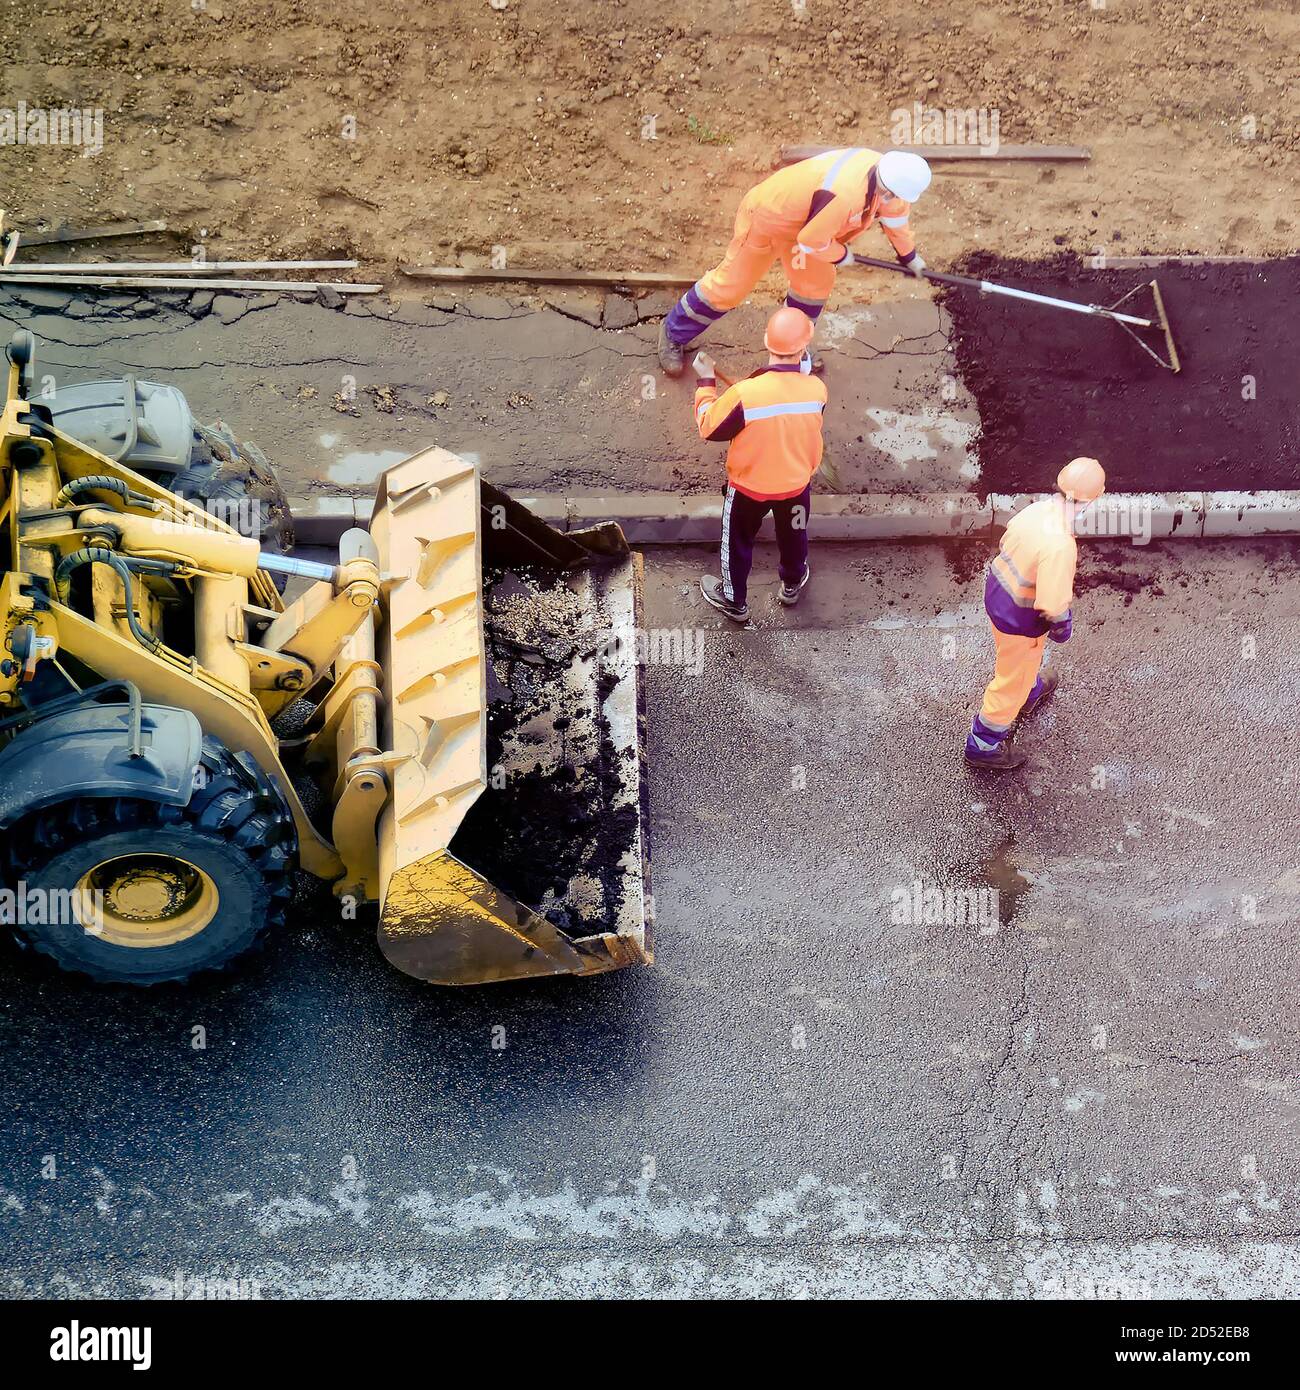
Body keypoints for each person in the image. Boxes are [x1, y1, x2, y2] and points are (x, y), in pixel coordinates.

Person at [658, 147, 932, 376]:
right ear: (886, 189)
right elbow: (812, 241)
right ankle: (673, 332)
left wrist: (909, 257)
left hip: (809, 226)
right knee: (731, 286)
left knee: (814, 285)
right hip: (769, 218)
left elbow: (895, 218)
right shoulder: (846, 193)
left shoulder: (893, 180)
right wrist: (841, 255)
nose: (892, 200)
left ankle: (793, 345)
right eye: (889, 195)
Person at [966, 457, 1107, 770]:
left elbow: (1007, 542)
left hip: (999, 597)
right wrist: (1062, 627)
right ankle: (983, 745)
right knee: (1009, 684)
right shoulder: (1060, 545)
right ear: (1092, 500)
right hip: (1020, 620)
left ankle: (1029, 689)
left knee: (1020, 660)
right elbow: (1053, 604)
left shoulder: (1036, 511)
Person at [692, 307, 827, 623]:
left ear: (767, 341)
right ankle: (792, 583)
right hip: (795, 487)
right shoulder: (817, 390)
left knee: (737, 542)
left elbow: (708, 427)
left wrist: (706, 384)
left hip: (748, 490)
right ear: (804, 348)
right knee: (795, 534)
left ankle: (734, 600)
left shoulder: (744, 394)